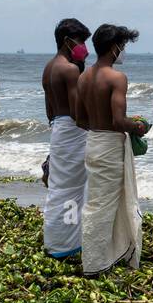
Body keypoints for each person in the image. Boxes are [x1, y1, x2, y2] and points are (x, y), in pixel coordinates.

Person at [74, 24, 150, 275]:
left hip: (93, 142)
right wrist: (137, 127)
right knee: (103, 205)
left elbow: (79, 119)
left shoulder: (84, 77)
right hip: (109, 145)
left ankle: (107, 253)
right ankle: (94, 264)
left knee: (99, 201)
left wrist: (101, 124)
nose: (123, 51)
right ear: (114, 47)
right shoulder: (117, 78)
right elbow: (119, 121)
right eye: (123, 46)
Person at [41, 18, 91, 259]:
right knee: (73, 189)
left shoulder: (49, 68)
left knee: (59, 188)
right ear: (67, 41)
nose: (84, 47)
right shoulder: (70, 70)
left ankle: (55, 240)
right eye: (81, 41)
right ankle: (68, 245)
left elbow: (50, 111)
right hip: (72, 131)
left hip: (59, 131)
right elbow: (77, 113)